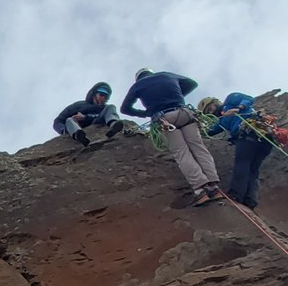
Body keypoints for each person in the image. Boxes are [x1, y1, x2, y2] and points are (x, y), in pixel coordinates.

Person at [122, 68, 223, 206]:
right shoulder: (166, 75)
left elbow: (125, 109)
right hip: (184, 113)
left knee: (181, 152)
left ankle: (200, 189)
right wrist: (178, 95)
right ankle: (214, 187)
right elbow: (192, 83)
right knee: (198, 148)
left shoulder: (138, 86)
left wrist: (146, 113)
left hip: (164, 119)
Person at [206, 92, 274, 209]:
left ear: (214, 103)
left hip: (249, 132)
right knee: (253, 169)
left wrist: (238, 108)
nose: (211, 112)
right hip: (263, 137)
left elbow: (248, 98)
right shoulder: (221, 121)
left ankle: (236, 194)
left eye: (209, 108)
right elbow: (209, 132)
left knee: (242, 164)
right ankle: (250, 199)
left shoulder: (230, 100)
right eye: (207, 112)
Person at [51, 82, 128, 146]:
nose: (103, 98)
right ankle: (79, 135)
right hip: (78, 125)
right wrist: (64, 130)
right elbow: (58, 121)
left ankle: (114, 125)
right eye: (101, 94)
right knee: (69, 120)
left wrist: (85, 117)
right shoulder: (78, 105)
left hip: (96, 122)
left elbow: (101, 117)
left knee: (111, 107)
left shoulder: (105, 109)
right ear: (94, 94)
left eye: (106, 97)